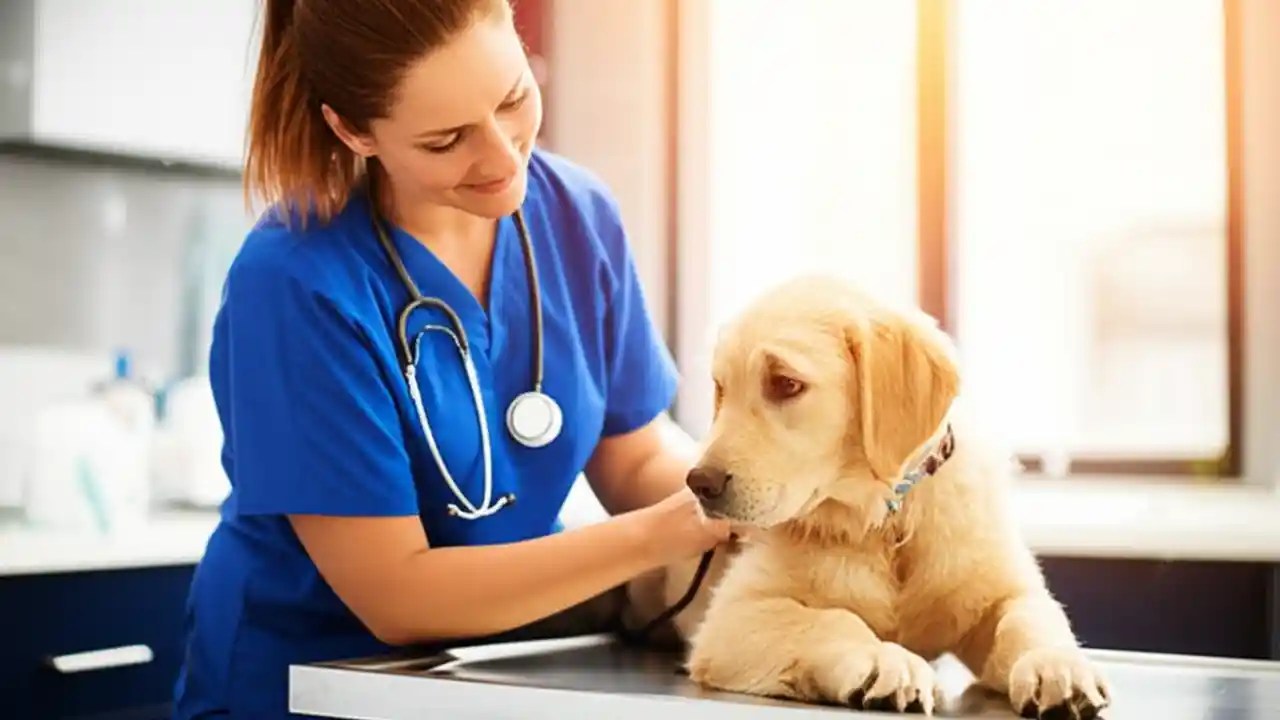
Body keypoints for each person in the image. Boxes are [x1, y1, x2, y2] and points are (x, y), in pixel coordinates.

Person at [169, 0, 731, 717]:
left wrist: (735, 495)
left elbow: (634, 455)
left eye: (514, 97)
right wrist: (668, 530)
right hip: (302, 683)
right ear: (353, 129)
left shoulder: (577, 214)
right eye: (445, 140)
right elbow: (398, 597)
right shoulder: (295, 279)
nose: (502, 157)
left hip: (474, 675)